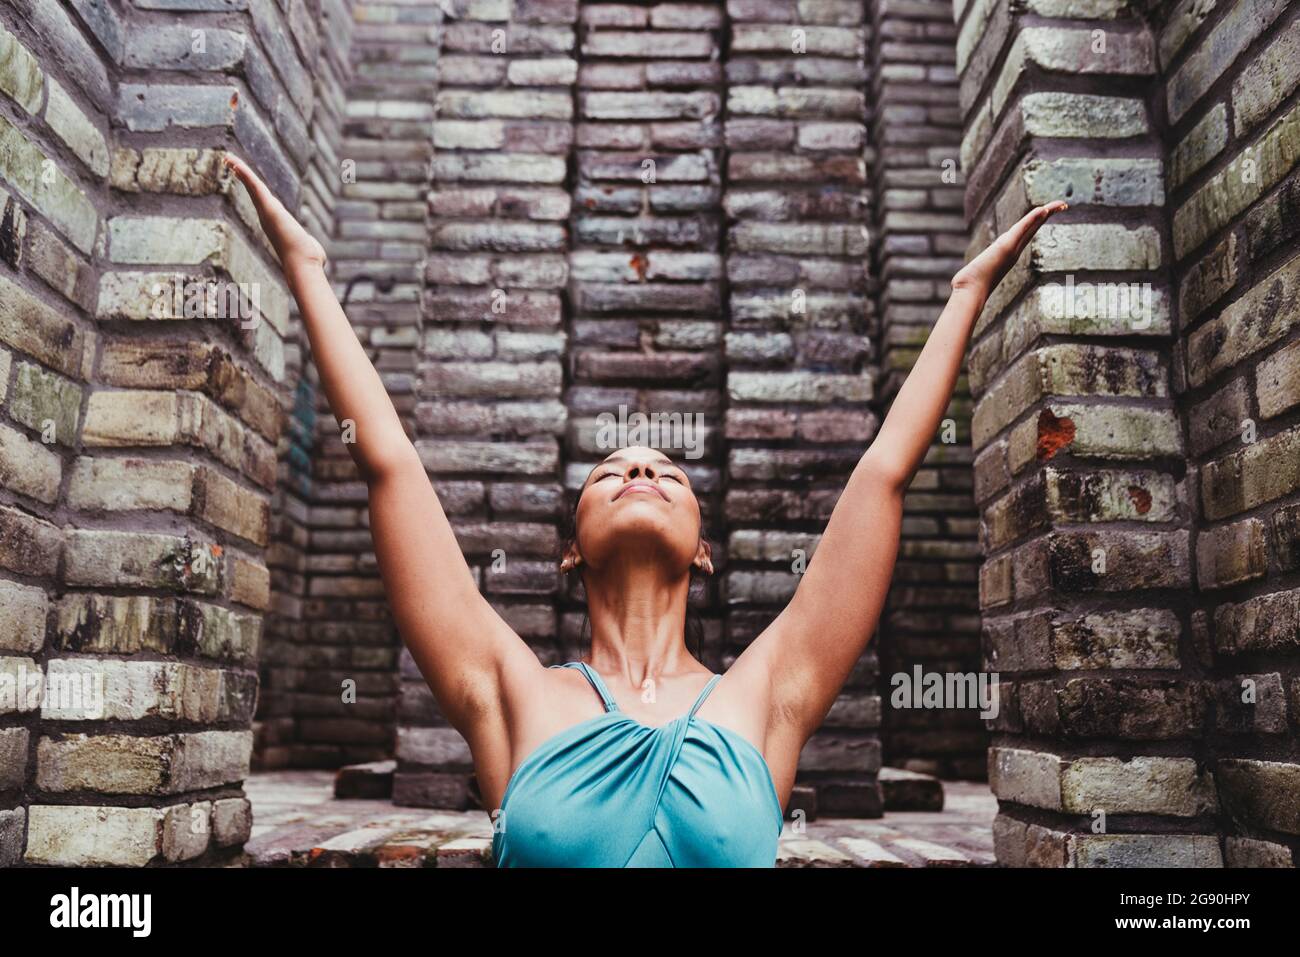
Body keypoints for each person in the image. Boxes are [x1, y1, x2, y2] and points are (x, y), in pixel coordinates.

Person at [224, 153, 1065, 867]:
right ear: (570, 551)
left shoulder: (770, 688)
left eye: (667, 469)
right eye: (610, 470)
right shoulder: (508, 686)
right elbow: (390, 463)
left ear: (703, 551)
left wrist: (966, 292)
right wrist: (307, 271)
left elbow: (884, 473)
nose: (638, 468)